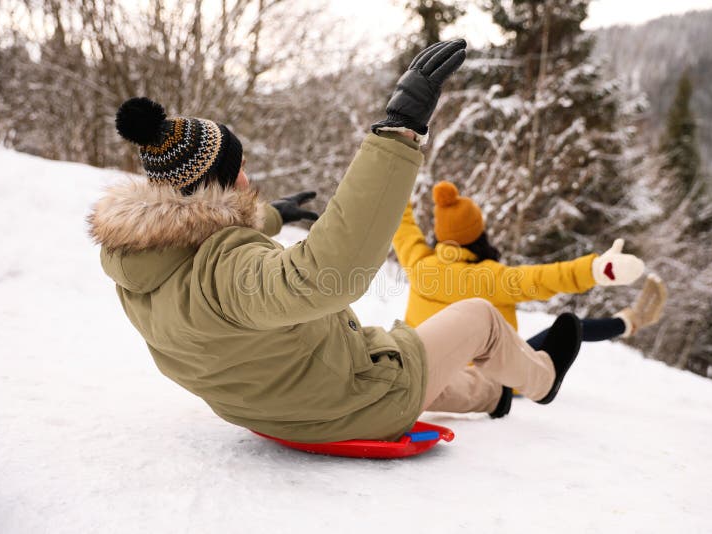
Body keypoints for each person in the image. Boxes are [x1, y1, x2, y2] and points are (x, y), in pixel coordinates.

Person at [89, 40, 583, 444]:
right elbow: (314, 276)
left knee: (403, 352)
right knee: (478, 318)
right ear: (213, 192)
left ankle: (495, 393)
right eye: (238, 173)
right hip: (342, 403)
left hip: (276, 399)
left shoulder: (139, 271)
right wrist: (399, 135)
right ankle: (542, 378)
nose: (248, 180)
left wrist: (268, 217)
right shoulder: (227, 276)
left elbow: (202, 248)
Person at [392, 181, 668, 415]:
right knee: (566, 330)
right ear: (479, 235)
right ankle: (629, 321)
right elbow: (545, 278)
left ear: (440, 235)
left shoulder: (420, 266)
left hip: (427, 369)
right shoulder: (494, 278)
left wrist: (396, 177)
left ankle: (629, 321)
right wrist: (595, 270)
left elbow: (401, 225)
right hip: (493, 380)